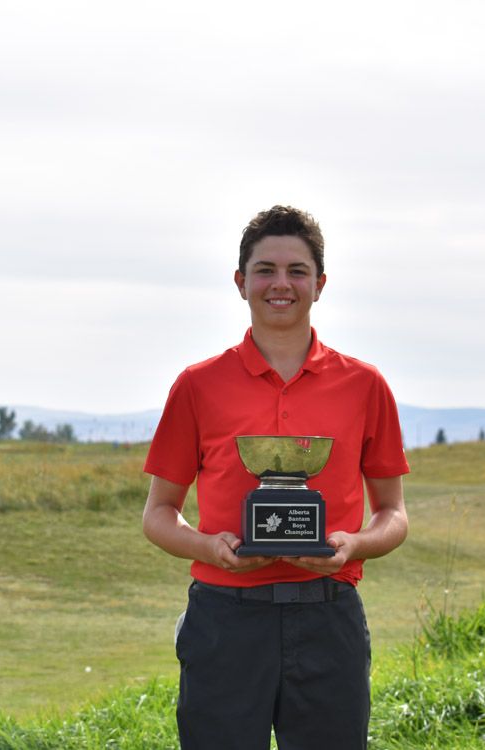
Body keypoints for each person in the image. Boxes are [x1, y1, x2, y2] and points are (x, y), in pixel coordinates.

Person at [142, 205, 410, 750]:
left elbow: (393, 513)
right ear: (240, 283)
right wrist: (208, 545)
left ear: (320, 284)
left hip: (327, 613)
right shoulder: (197, 385)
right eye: (265, 270)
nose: (280, 284)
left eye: (296, 270)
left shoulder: (365, 385)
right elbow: (158, 514)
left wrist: (352, 544)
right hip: (225, 617)